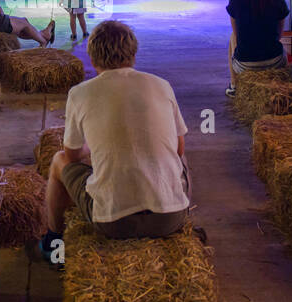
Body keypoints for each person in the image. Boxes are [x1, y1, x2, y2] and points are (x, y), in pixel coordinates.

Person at [37, 20, 189, 264]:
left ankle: (53, 241)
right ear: (134, 53)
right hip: (170, 218)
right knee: (178, 155)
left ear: (92, 57)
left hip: (114, 222)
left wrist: (93, 147)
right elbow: (179, 149)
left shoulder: (79, 93)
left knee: (58, 161)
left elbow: (73, 157)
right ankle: (173, 200)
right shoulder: (162, 85)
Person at [225, 0, 289, 97]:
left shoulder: (236, 0)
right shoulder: (278, 1)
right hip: (275, 62)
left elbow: (237, 34)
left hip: (244, 65)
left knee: (232, 37)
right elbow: (279, 35)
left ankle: (234, 85)